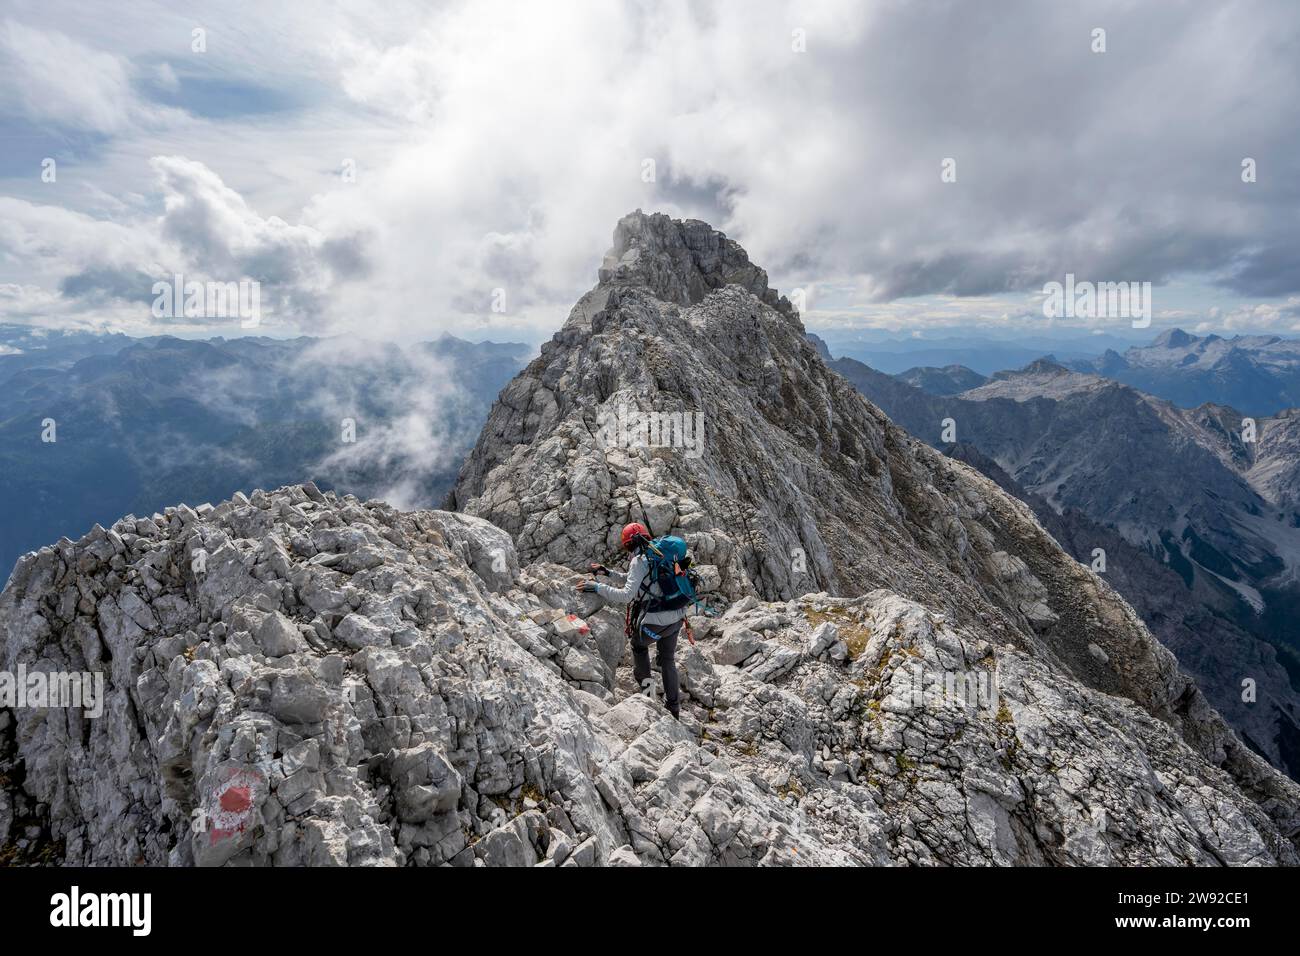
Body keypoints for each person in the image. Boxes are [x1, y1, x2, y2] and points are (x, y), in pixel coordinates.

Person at [575, 522, 688, 718]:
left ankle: (649, 697)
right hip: (676, 617)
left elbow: (627, 595)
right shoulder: (658, 555)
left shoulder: (639, 560)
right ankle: (674, 709)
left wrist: (597, 587)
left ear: (628, 544)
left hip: (654, 621)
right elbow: (637, 580)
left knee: (639, 646)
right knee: (668, 660)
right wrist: (608, 573)